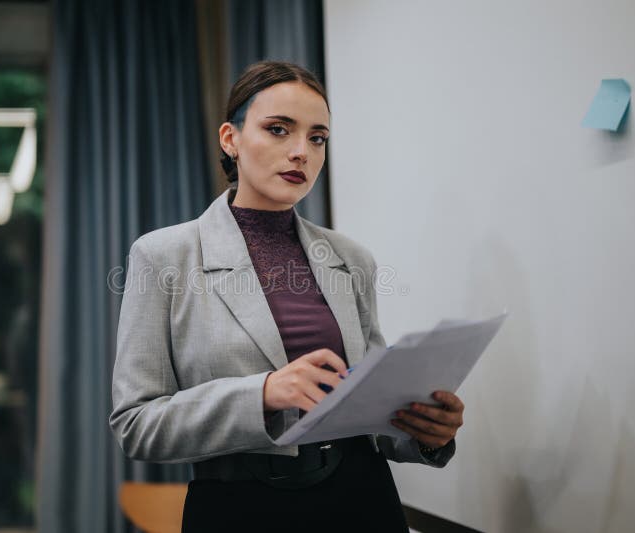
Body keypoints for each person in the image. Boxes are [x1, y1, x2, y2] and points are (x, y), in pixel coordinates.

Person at [109, 60, 465, 532]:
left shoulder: (351, 258)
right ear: (230, 139)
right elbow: (137, 425)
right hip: (240, 509)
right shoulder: (163, 256)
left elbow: (373, 410)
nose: (301, 151)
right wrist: (263, 393)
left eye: (317, 138)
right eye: (279, 130)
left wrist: (423, 432)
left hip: (363, 502)